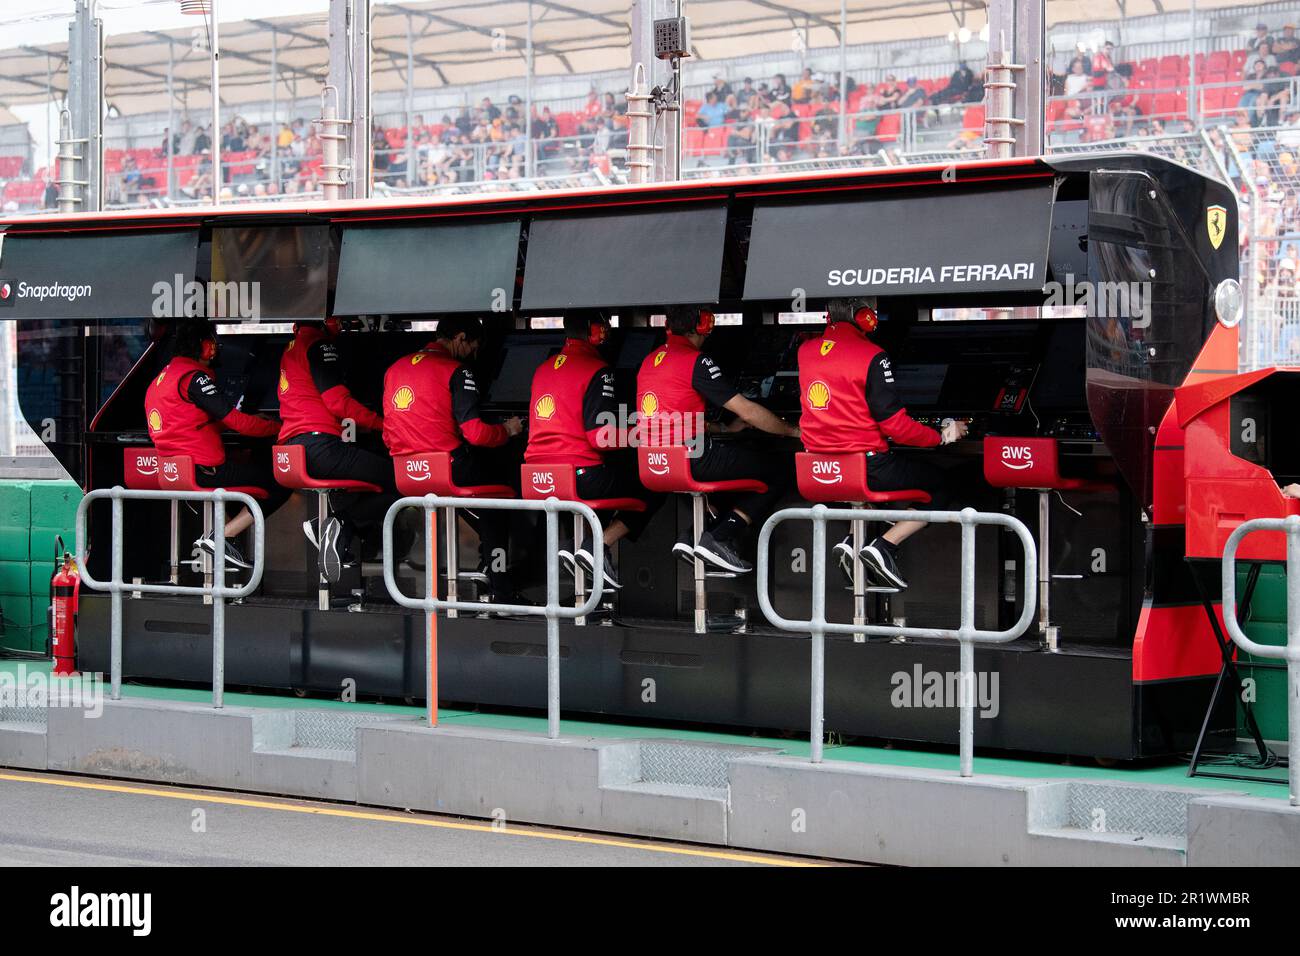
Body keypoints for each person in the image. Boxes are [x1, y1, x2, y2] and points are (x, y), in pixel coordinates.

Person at [797, 298, 968, 591]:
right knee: (943, 483)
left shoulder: (805, 351)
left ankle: (854, 541)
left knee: (860, 482)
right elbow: (895, 427)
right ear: (865, 318)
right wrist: (939, 435)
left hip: (818, 468)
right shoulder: (873, 356)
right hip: (868, 466)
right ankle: (885, 546)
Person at [636, 306, 799, 574]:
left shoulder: (650, 360)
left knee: (736, 469)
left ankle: (693, 537)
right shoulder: (696, 361)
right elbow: (746, 410)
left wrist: (723, 427)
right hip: (693, 458)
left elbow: (671, 417)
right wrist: (791, 430)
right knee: (779, 468)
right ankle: (720, 536)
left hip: (655, 463)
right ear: (702, 326)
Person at [382, 315, 523, 601]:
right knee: (504, 492)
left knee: (472, 494)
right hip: (447, 469)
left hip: (406, 472)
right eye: (472, 346)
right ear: (460, 338)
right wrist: (508, 430)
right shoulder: (456, 371)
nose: (473, 354)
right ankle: (501, 589)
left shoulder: (395, 368)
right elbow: (476, 434)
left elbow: (388, 433)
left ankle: (486, 564)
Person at [524, 312, 660, 588]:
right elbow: (600, 437)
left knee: (611, 479)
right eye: (603, 326)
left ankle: (576, 548)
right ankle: (597, 545)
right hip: (580, 476)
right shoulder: (597, 369)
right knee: (653, 483)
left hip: (537, 478)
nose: (607, 330)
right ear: (592, 330)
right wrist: (645, 433)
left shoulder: (543, 368)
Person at [145, 319, 287, 571]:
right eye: (213, 342)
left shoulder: (161, 379)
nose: (216, 349)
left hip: (173, 471)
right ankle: (223, 537)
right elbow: (236, 421)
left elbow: (188, 422)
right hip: (204, 471)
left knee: (241, 488)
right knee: (280, 481)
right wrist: (278, 427)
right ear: (203, 346)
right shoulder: (193, 378)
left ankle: (227, 545)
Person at [278, 317, 391, 578]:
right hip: (321, 448)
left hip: (294, 447)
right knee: (401, 480)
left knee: (363, 479)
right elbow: (338, 402)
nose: (340, 326)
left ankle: (337, 529)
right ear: (325, 320)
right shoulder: (318, 344)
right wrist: (382, 423)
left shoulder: (291, 346)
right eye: (337, 320)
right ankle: (340, 522)